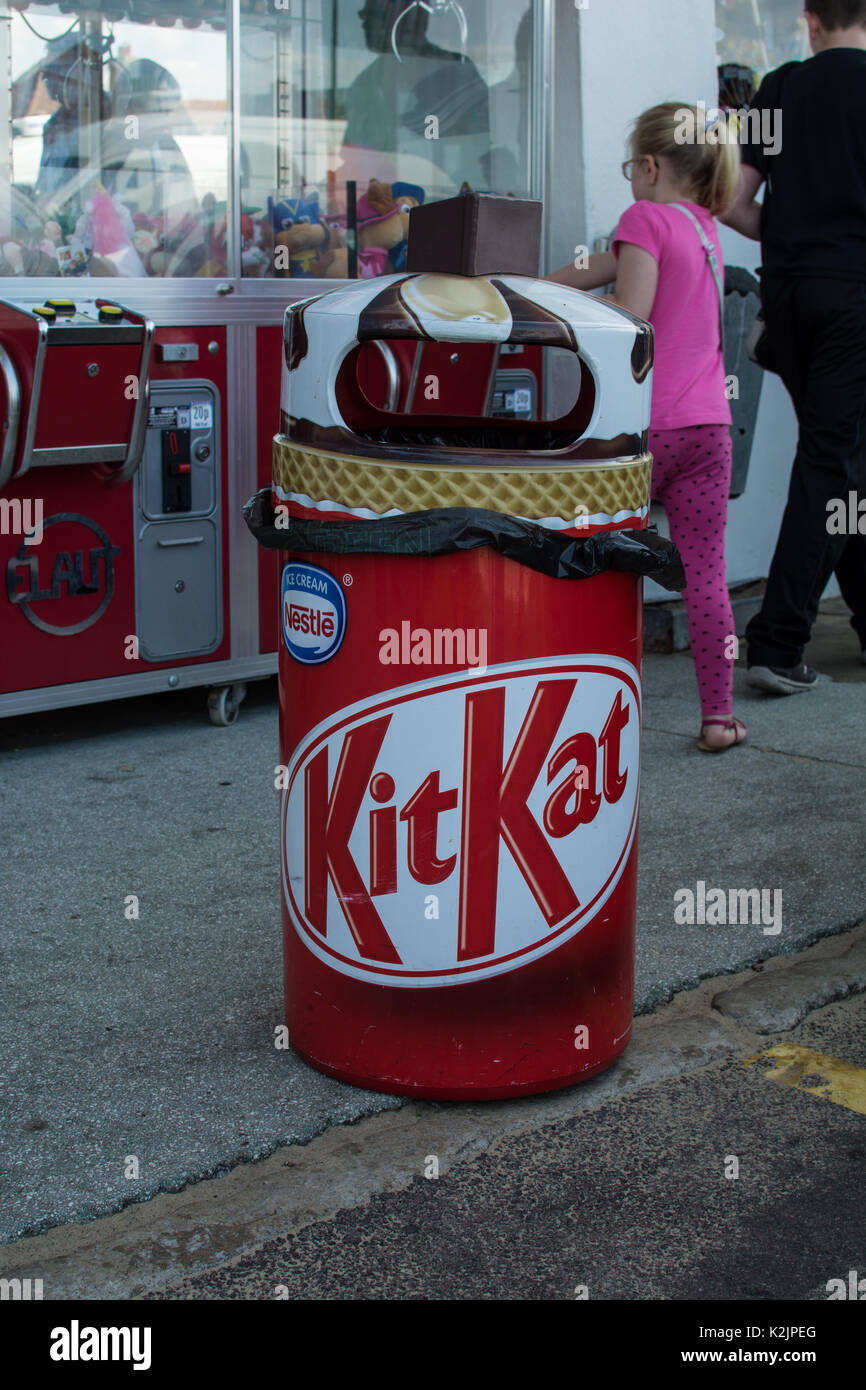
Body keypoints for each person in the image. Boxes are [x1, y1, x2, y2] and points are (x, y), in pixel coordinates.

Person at [547, 103, 745, 751]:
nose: (629, 178)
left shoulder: (643, 217)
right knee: (706, 575)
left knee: (598, 561)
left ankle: (579, 717)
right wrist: (532, 287)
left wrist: (543, 310)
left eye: (632, 165)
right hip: (710, 429)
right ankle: (719, 717)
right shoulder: (705, 228)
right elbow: (608, 266)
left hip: (644, 433)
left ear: (652, 165)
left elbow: (632, 311)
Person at [723, 0, 866, 693]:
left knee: (844, 459)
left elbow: (731, 201)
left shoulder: (779, 88)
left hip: (789, 300)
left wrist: (787, 239)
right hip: (855, 299)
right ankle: (777, 643)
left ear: (811, 19)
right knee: (831, 461)